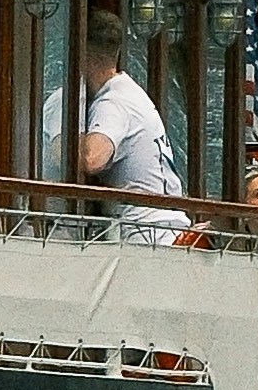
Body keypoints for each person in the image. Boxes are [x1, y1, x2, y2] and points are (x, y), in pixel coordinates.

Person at [71, 12, 187, 238]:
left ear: (82, 54)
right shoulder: (130, 92)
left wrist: (61, 139)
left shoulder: (113, 102)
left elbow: (92, 159)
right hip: (166, 228)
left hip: (146, 233)